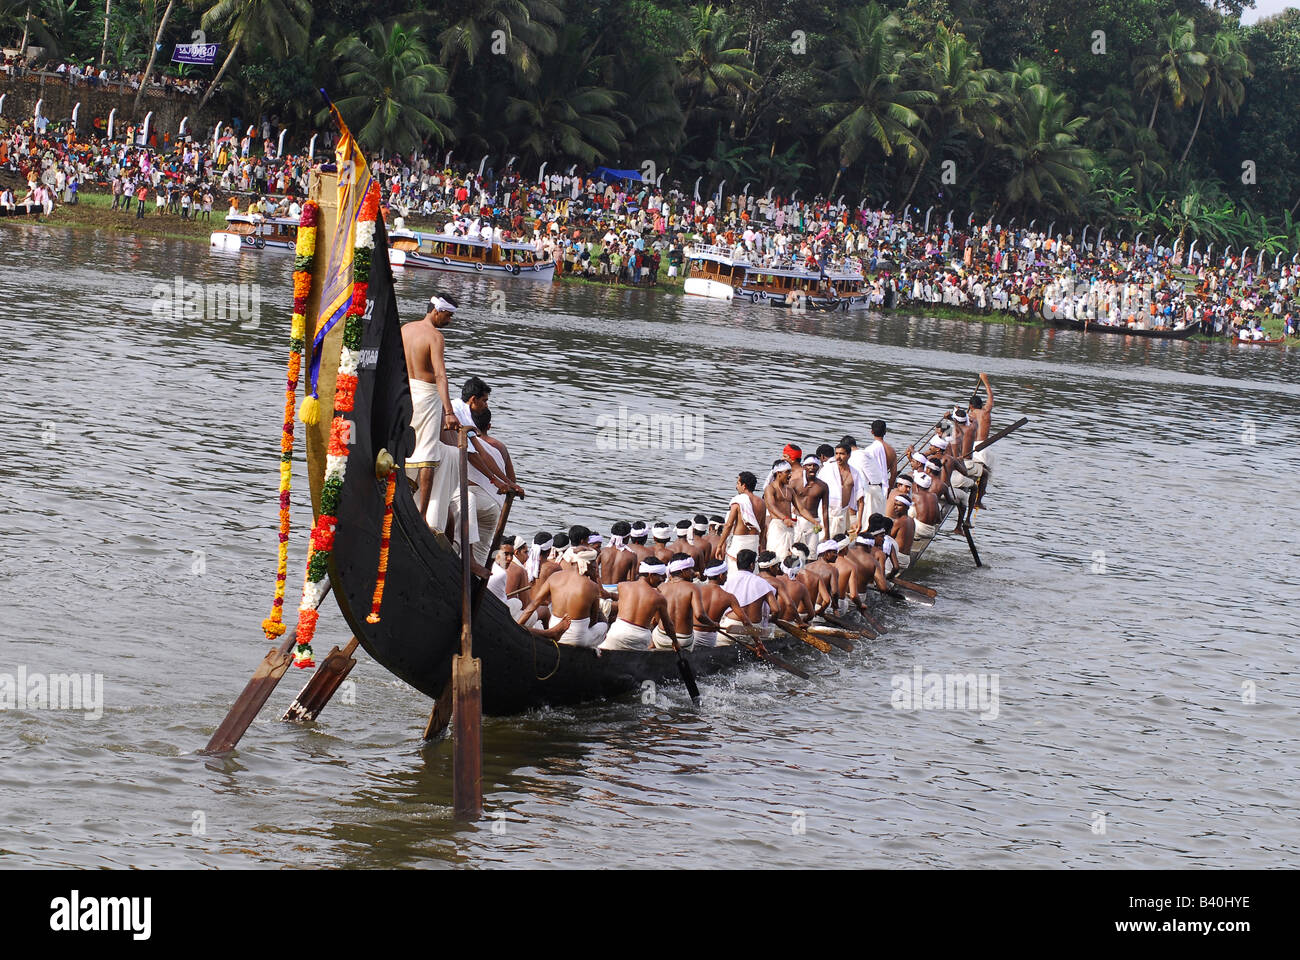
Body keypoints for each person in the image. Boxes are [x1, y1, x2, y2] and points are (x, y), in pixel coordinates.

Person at [401, 293, 460, 531]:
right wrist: (449, 411)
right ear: (437, 311)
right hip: (426, 396)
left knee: (404, 450)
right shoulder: (435, 337)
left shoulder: (405, 329)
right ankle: (421, 515)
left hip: (405, 393)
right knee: (427, 454)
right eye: (449, 315)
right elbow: (440, 376)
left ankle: (398, 503)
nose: (450, 320)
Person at [516, 545, 606, 646]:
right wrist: (594, 579)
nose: (596, 565)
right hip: (577, 639)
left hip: (554, 627)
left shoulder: (554, 577)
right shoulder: (593, 587)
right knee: (603, 625)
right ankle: (593, 649)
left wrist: (517, 626)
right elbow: (593, 622)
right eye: (594, 562)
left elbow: (533, 605)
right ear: (586, 564)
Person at [600, 559, 677, 651]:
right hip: (639, 639)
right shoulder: (659, 597)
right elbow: (668, 625)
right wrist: (675, 642)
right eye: (660, 576)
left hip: (617, 633)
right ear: (650, 575)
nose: (662, 580)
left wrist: (611, 595)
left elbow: (630, 599)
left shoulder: (622, 586)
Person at [717, 549, 777, 642]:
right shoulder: (762, 582)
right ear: (752, 565)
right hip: (754, 631)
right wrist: (770, 621)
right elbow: (776, 609)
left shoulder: (727, 580)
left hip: (730, 627)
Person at [715, 471, 765, 574]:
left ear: (744, 485)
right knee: (750, 573)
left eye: (738, 483)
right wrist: (760, 544)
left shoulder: (738, 501)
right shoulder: (761, 503)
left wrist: (720, 545)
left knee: (734, 573)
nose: (736, 486)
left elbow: (728, 525)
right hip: (754, 542)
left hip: (739, 542)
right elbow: (763, 527)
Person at [763, 460, 798, 561]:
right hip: (777, 527)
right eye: (787, 472)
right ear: (779, 473)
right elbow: (771, 506)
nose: (790, 475)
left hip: (789, 526)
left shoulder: (790, 490)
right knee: (776, 557)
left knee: (789, 557)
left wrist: (813, 521)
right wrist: (785, 518)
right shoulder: (770, 488)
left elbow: (801, 508)